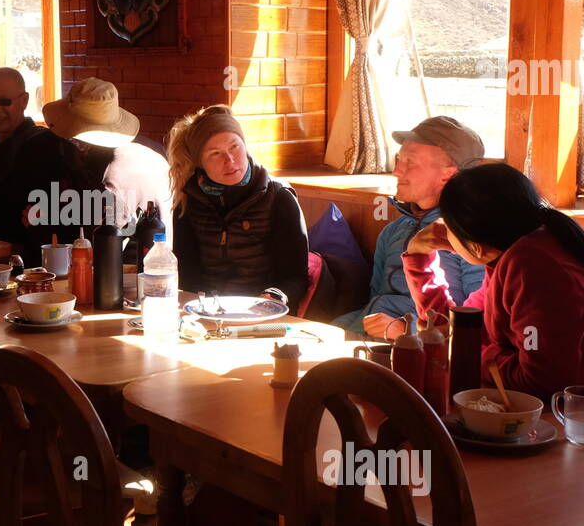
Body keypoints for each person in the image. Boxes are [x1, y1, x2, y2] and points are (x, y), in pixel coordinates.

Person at [403, 162, 584, 417]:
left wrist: (476, 352)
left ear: (475, 245)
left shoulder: (537, 267)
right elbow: (454, 331)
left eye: (447, 226)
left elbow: (540, 383)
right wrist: (419, 259)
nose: (441, 232)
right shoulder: (520, 251)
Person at [331, 116, 487, 339]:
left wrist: (408, 333)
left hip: (424, 349)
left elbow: (479, 323)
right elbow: (376, 298)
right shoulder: (392, 231)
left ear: (447, 173)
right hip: (368, 333)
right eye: (398, 159)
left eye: (410, 163)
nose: (397, 171)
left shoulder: (472, 236)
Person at [166, 104, 311, 309]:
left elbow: (296, 277)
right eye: (215, 153)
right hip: (206, 311)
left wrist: (275, 295)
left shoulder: (279, 198)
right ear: (200, 163)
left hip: (263, 312)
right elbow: (187, 275)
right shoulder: (189, 201)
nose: (230, 160)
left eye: (235, 146)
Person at [0, 67, 94, 253]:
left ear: (24, 101)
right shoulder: (3, 142)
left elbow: (21, 219)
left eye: (5, 102)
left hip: (35, 261)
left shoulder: (40, 148)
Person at [41, 77, 172, 238]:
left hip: (132, 261)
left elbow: (95, 247)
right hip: (162, 257)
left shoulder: (115, 176)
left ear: (80, 142)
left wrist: (43, 229)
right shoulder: (149, 149)